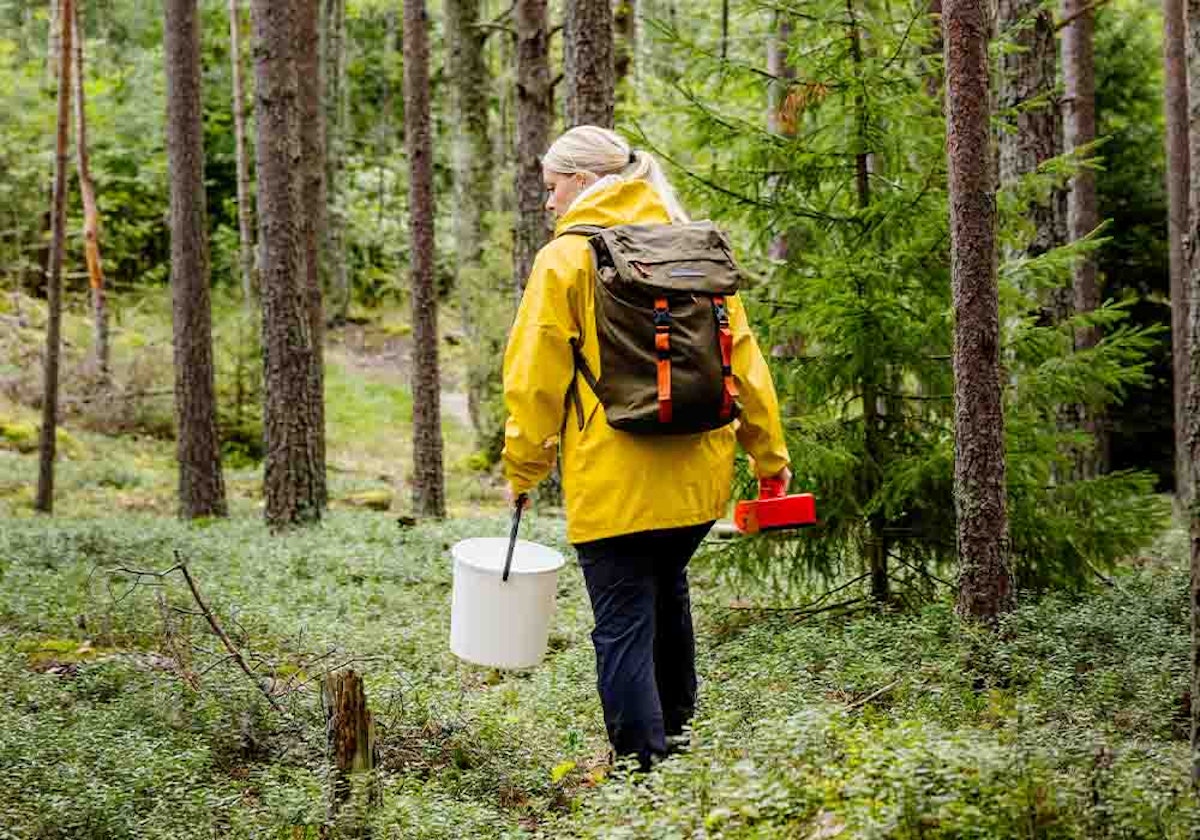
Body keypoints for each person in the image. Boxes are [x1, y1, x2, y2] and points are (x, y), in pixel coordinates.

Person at [502, 125, 791, 771]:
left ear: (584, 182)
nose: (548, 202)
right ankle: (679, 755)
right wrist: (769, 459)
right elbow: (745, 363)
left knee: (624, 622)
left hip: (615, 480)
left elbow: (532, 380)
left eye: (553, 187)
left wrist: (524, 467)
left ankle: (644, 776)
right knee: (666, 597)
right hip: (698, 477)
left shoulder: (566, 259)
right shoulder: (694, 247)